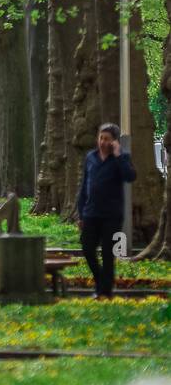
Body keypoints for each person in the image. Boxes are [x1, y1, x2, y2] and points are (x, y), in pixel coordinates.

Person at [77, 123, 136, 299]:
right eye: (101, 138)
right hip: (90, 212)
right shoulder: (90, 158)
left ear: (114, 141)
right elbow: (84, 186)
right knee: (87, 249)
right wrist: (80, 213)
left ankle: (105, 291)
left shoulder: (121, 158)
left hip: (111, 214)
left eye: (107, 139)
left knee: (108, 253)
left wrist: (118, 155)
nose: (103, 142)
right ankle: (101, 281)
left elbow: (130, 176)